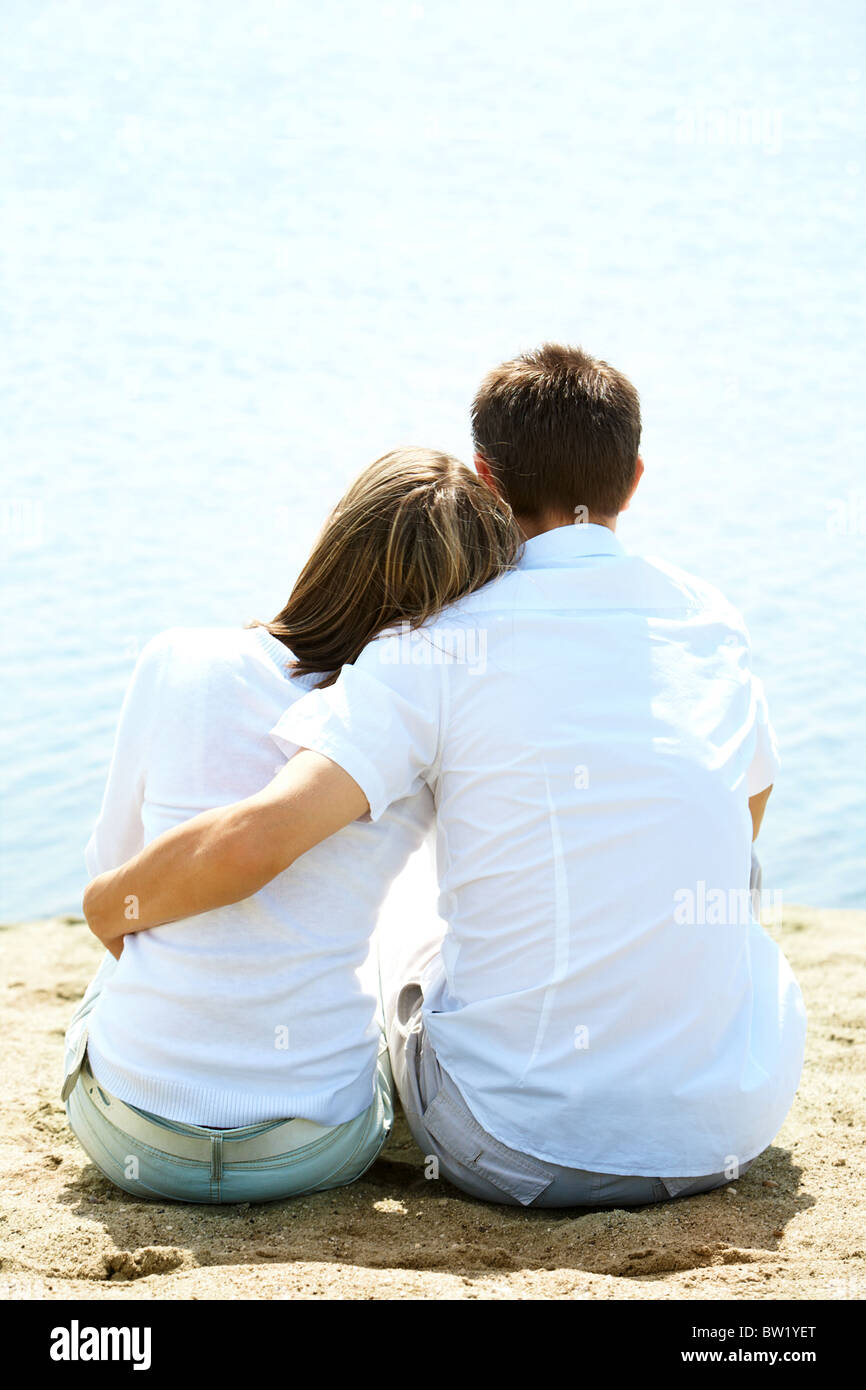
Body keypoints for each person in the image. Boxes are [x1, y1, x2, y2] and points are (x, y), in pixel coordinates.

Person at [84, 344, 807, 1209]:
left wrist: (109, 904)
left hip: (511, 1146)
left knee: (402, 896)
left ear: (486, 480)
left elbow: (264, 836)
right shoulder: (708, 620)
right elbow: (746, 813)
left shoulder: (435, 641)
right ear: (636, 479)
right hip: (724, 1127)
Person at [64, 448, 521, 1203]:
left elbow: (112, 893)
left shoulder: (176, 658)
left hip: (131, 1135)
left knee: (120, 967)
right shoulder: (420, 729)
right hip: (309, 1150)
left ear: (338, 537)